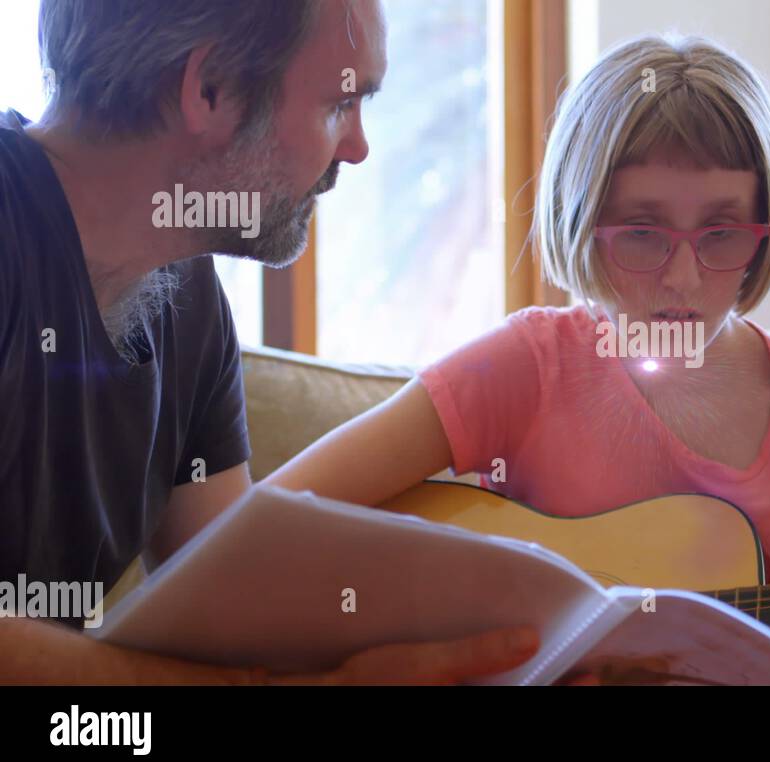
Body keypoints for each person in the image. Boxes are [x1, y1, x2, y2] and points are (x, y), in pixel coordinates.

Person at [267, 34, 770, 685]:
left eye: (721, 233)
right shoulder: (529, 366)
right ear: (581, 216)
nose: (681, 276)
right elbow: (267, 523)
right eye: (641, 233)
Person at [1, 0, 539, 685]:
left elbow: (228, 603)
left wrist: (517, 652)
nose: (358, 147)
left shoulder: (186, 296)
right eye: (339, 105)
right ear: (211, 88)